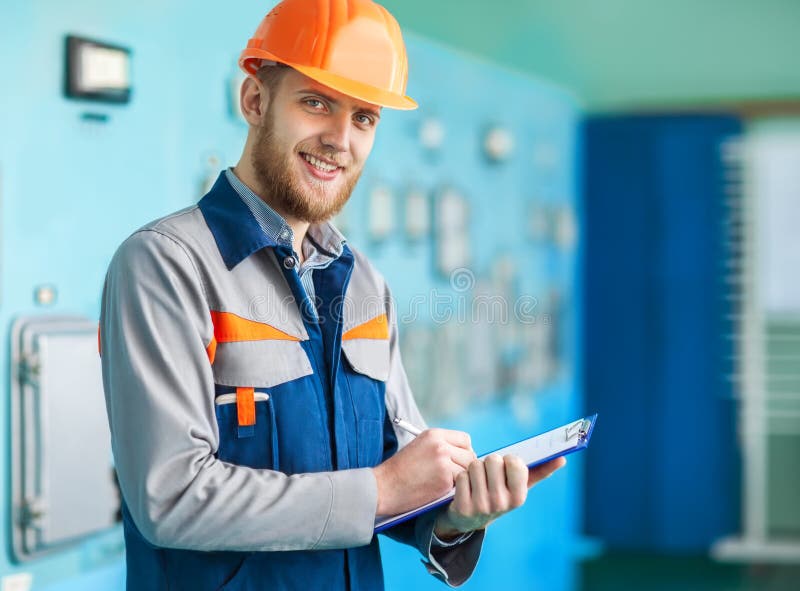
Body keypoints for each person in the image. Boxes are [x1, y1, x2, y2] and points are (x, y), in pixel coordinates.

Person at [99, 1, 565, 589]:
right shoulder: (167, 264)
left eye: (365, 117)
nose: (339, 140)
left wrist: (454, 516)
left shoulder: (366, 285)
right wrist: (382, 490)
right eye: (316, 102)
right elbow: (171, 497)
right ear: (255, 101)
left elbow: (397, 476)